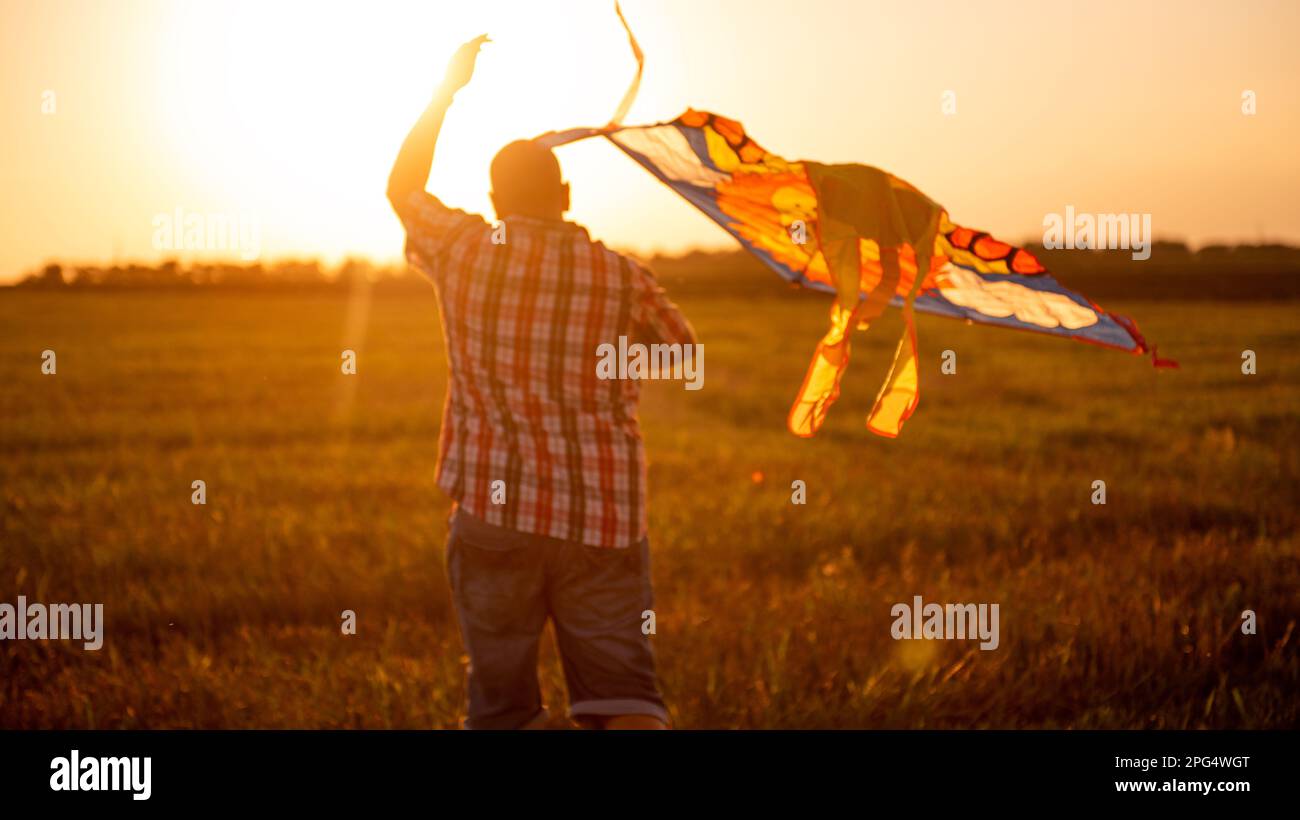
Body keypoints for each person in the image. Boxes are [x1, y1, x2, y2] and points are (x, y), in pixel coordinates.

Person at [387, 35, 695, 729]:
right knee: (625, 699)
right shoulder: (618, 275)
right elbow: (682, 354)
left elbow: (402, 190)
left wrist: (445, 91)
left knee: (502, 708)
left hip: (494, 519)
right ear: (565, 194)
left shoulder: (463, 252)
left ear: (495, 200)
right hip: (604, 518)